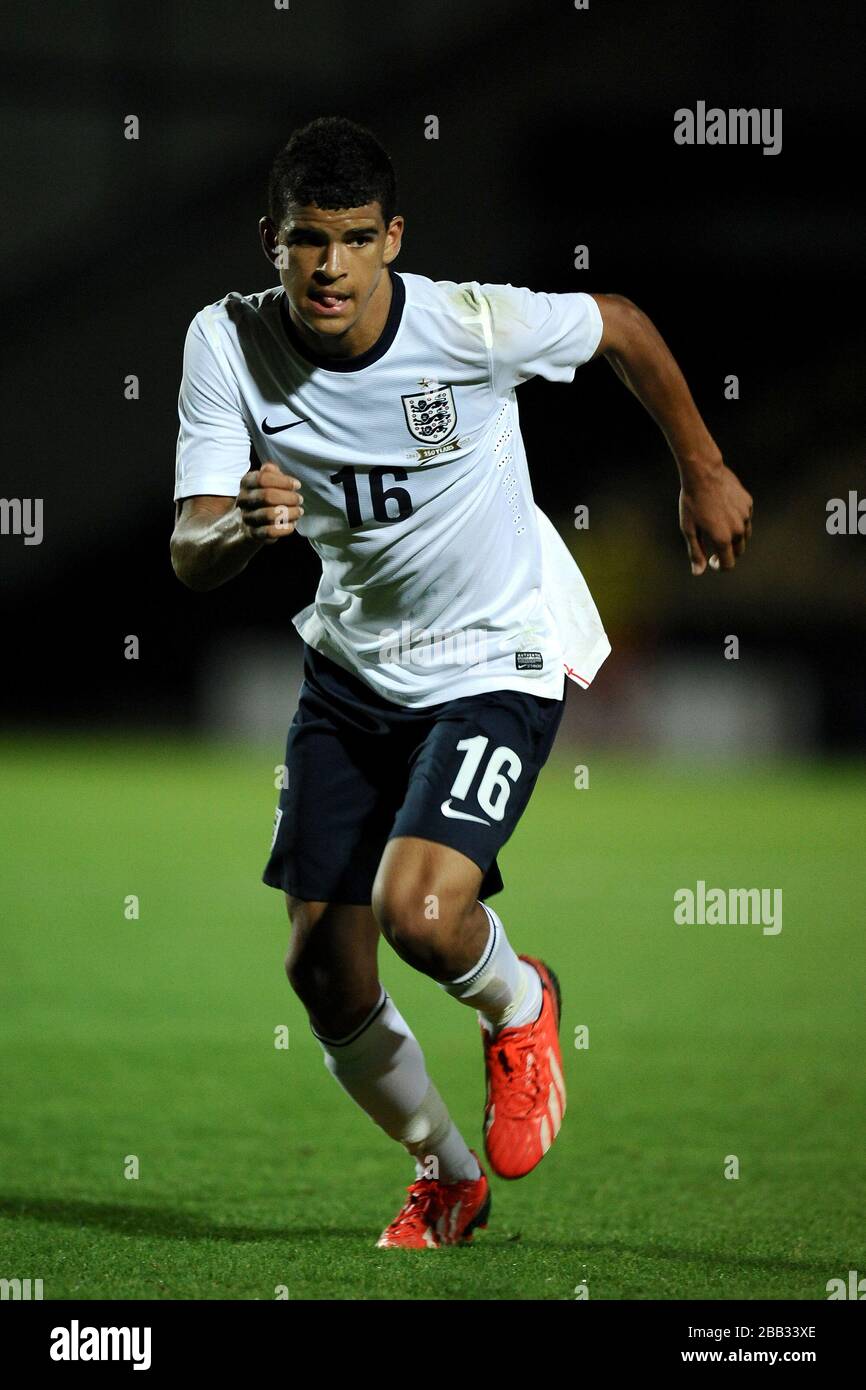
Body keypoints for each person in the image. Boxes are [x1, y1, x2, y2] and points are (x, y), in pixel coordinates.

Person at [171, 115, 753, 1249]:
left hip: (495, 654)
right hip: (349, 671)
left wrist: (703, 466)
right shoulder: (225, 342)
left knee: (421, 914)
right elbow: (189, 549)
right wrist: (243, 525)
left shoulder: (470, 325)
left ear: (391, 238)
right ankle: (445, 1173)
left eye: (349, 238)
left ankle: (521, 1000)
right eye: (303, 241)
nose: (326, 265)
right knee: (321, 973)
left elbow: (622, 327)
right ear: (268, 242)